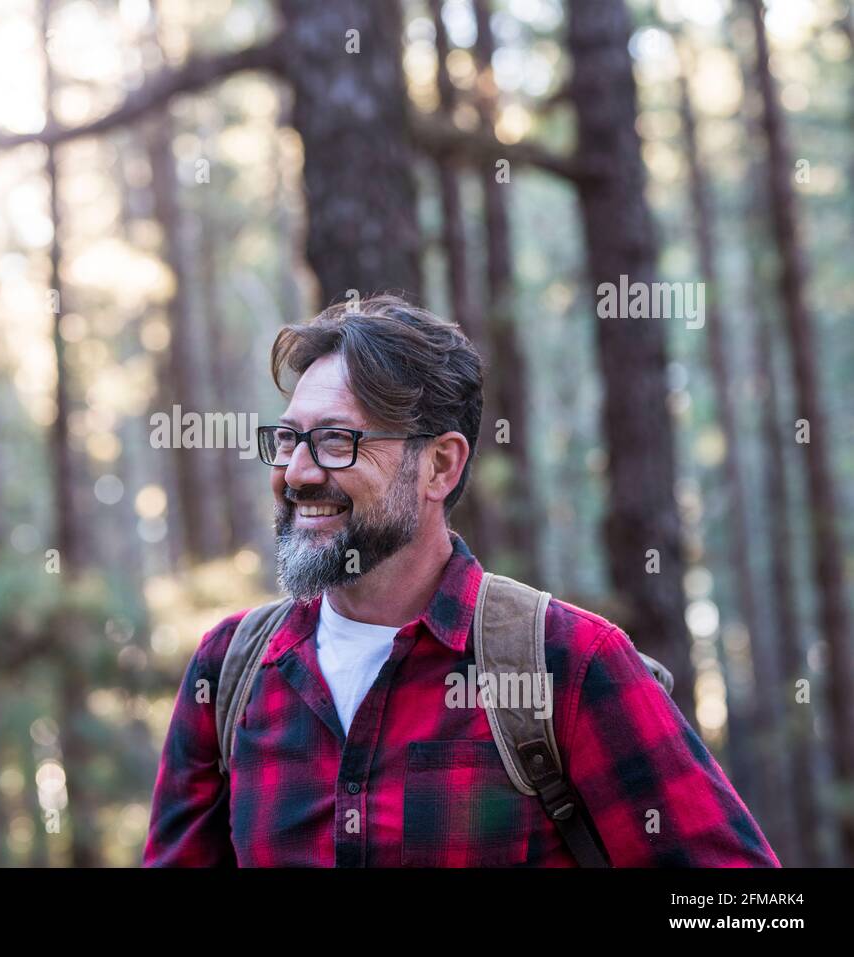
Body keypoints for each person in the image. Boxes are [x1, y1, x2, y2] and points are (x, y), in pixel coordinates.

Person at [142, 292, 779, 867]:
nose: (299, 473)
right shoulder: (228, 670)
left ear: (440, 466)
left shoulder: (569, 662)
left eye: (336, 441)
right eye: (287, 440)